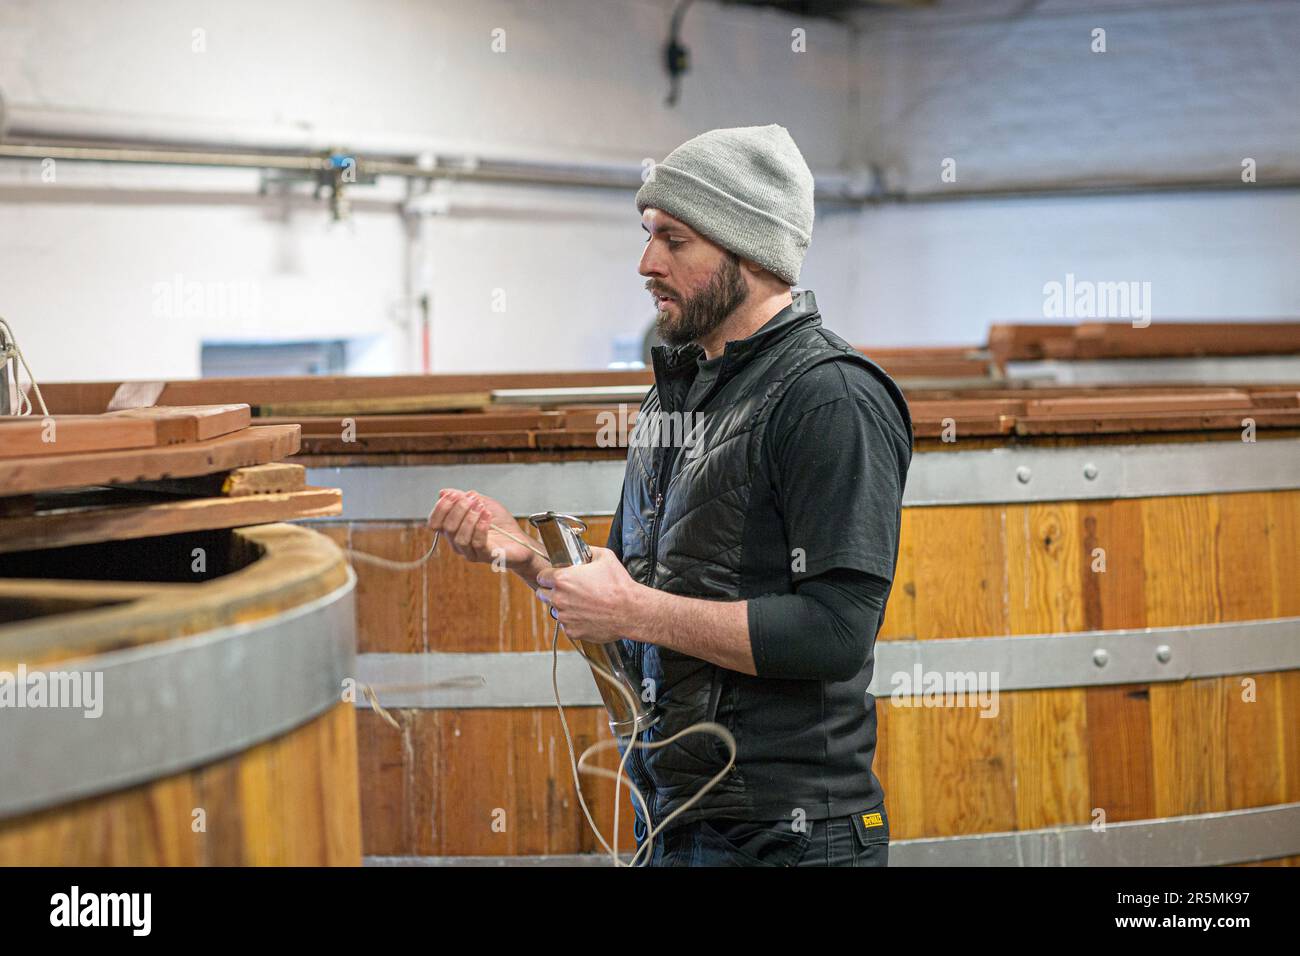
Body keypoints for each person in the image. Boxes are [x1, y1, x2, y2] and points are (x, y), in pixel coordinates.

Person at [429, 124, 912, 866]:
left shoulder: (831, 397)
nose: (646, 262)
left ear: (747, 248)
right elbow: (627, 603)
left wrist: (635, 608)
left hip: (790, 835)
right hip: (674, 817)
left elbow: (836, 632)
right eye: (648, 234)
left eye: (674, 239)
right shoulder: (673, 401)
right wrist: (526, 557)